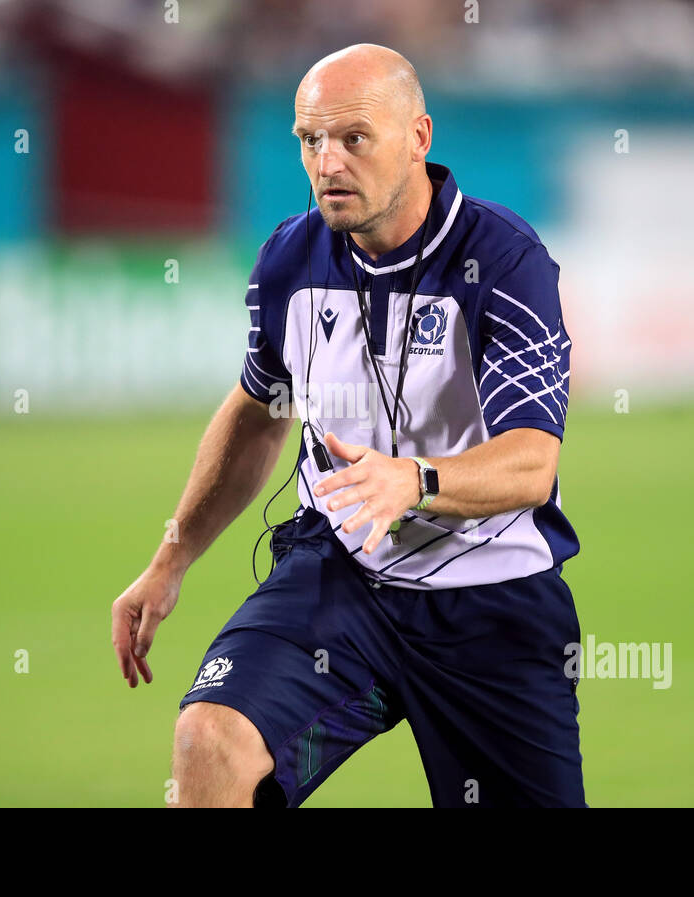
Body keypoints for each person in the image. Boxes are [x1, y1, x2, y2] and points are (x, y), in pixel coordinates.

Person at [111, 43, 584, 807]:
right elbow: (257, 411)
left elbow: (532, 464)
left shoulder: (504, 261)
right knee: (209, 739)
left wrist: (417, 480)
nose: (327, 162)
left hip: (490, 602)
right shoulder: (289, 262)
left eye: (353, 138)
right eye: (309, 140)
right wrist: (171, 558)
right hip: (338, 578)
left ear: (418, 137)